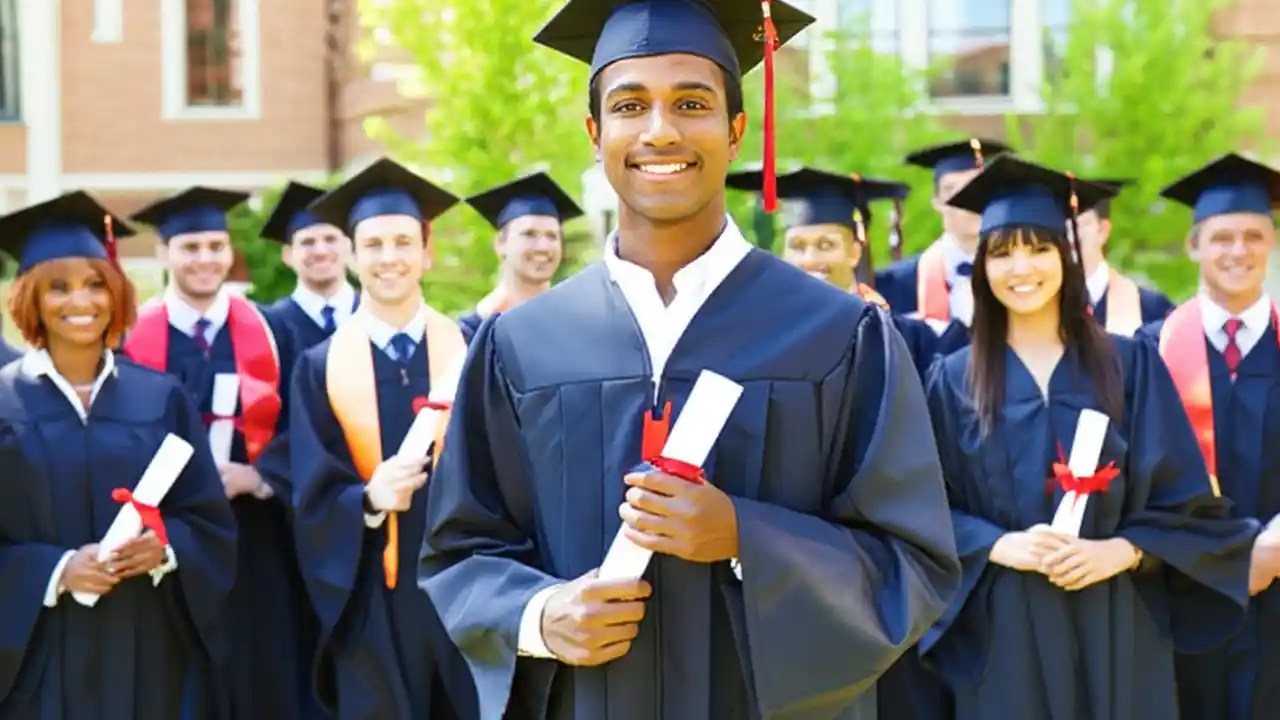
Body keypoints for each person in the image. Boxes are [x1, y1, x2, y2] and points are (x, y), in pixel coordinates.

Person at [420, 2, 962, 719]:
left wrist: (746, 538)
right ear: (595, 133)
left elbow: (914, 563)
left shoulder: (839, 333)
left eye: (691, 102)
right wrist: (539, 614)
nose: (660, 130)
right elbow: (462, 549)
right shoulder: (522, 344)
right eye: (629, 105)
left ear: (737, 130)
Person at [921, 155, 1257, 720]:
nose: (1020, 268)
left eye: (1038, 248)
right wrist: (998, 545)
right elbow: (922, 508)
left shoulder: (1129, 366)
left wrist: (1120, 552)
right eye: (1002, 253)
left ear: (1066, 257)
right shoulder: (953, 380)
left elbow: (1189, 504)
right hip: (1006, 624)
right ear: (982, 267)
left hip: (1118, 618)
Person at [0, 191, 237, 718]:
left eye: (94, 284)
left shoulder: (159, 396)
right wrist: (56, 569)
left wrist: (166, 548)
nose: (80, 301)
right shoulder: (3, 401)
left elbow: (209, 520)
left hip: (149, 648)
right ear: (31, 299)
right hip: (38, 654)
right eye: (57, 287)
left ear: (115, 294)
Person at [289, 156, 477, 719]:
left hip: (463, 589)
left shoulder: (472, 350)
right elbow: (309, 494)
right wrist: (367, 500)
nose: (388, 258)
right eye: (372, 245)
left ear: (427, 252)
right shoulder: (318, 366)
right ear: (350, 255)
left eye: (402, 242)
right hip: (371, 597)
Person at [122, 186, 308, 718]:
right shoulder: (132, 337)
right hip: (170, 537)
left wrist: (258, 476)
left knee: (259, 669)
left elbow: (307, 423)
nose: (206, 259)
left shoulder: (272, 331)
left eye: (215, 246)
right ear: (163, 254)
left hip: (256, 535)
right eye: (190, 247)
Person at [1138, 152, 1280, 720]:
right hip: (1184, 590)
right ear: (1195, 245)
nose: (1238, 251)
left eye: (1253, 235)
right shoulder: (1150, 350)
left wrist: (1274, 547)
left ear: (1271, 243)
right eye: (1222, 237)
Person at [726, 165, 966, 379]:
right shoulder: (761, 336)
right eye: (798, 246)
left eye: (826, 245)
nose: (810, 259)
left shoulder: (904, 336)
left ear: (854, 252)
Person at [876, 138, 1012, 330]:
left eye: (978, 186)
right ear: (936, 202)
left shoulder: (1025, 275)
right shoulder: (896, 284)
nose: (967, 199)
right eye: (952, 189)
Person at [458, 171, 582, 343]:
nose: (543, 247)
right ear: (501, 244)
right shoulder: (470, 333)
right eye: (529, 234)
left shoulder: (577, 327)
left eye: (552, 236)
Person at [262, 181, 359, 349]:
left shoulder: (376, 314)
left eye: (330, 239)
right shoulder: (269, 325)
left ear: (349, 246)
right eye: (307, 242)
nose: (320, 251)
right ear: (288, 255)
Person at [1075, 178, 1174, 335]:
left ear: (1103, 230)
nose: (1070, 234)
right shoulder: (1037, 307)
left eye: (1080, 225)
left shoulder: (1151, 307)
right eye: (1062, 225)